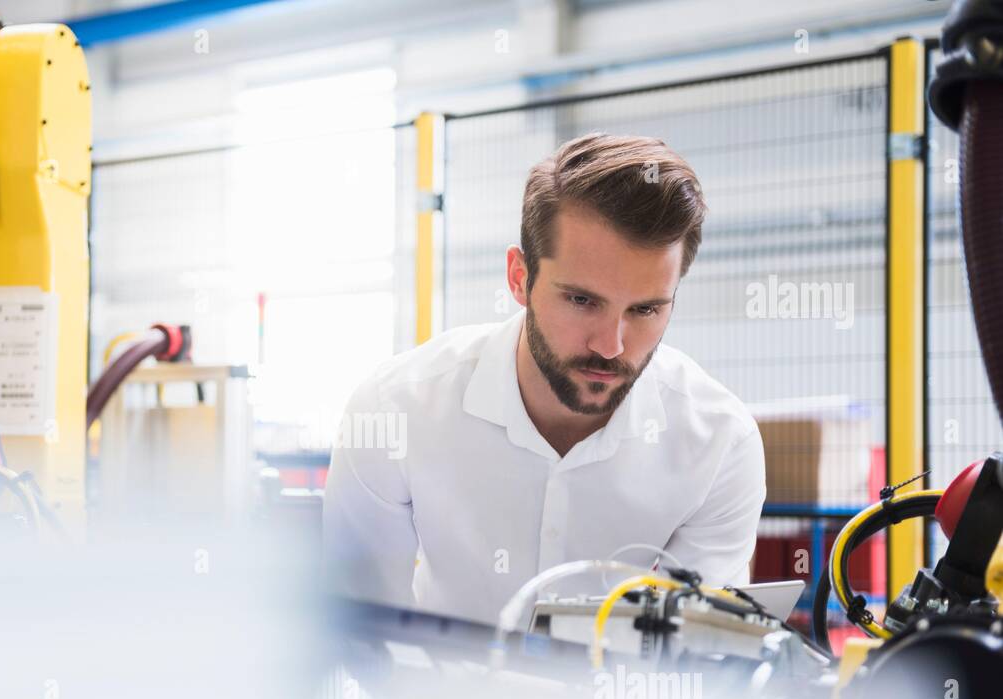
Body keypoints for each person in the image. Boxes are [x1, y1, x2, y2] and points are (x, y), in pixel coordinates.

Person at [322, 132, 766, 625]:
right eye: (582, 300)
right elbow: (363, 625)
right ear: (519, 277)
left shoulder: (721, 443)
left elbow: (702, 652)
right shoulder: (393, 410)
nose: (611, 345)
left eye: (645, 309)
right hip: (436, 697)